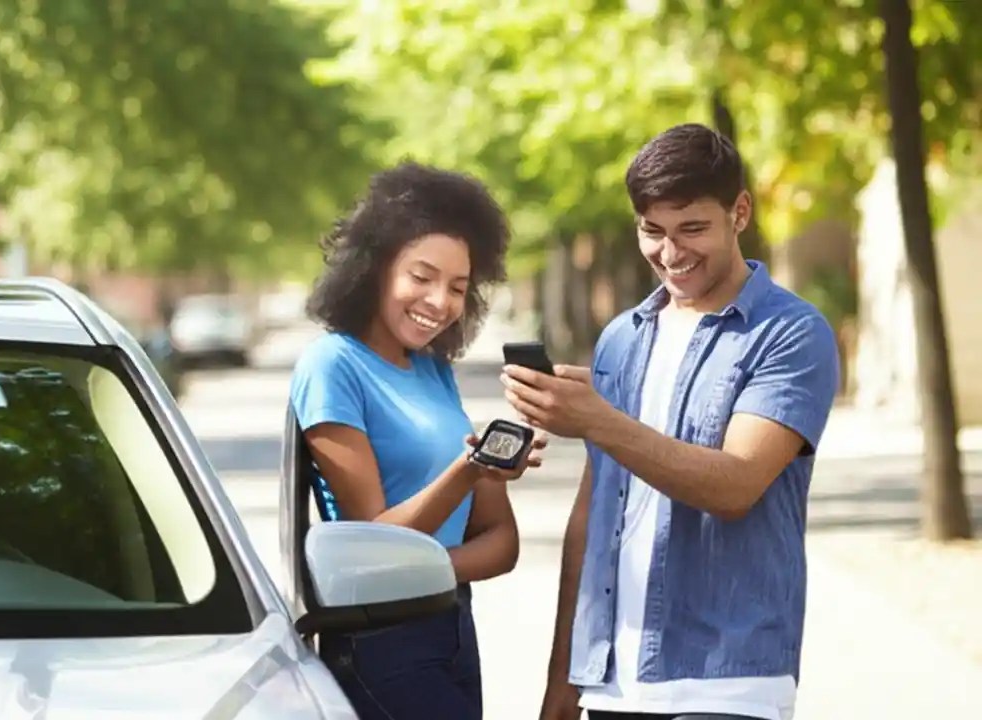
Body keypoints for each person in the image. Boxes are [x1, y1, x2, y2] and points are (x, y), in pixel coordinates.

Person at [502, 123, 841, 720]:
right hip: (611, 682)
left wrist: (599, 422)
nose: (671, 252)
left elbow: (735, 486)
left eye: (692, 229)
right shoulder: (621, 341)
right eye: (652, 231)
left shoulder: (789, 334)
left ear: (739, 213)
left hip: (727, 681)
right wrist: (563, 684)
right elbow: (592, 515)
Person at [289, 161, 547, 720]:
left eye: (457, 287)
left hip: (451, 626)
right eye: (421, 277)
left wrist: (483, 474)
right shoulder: (332, 365)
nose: (439, 301)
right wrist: (470, 469)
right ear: (376, 267)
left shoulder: (433, 371)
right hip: (379, 639)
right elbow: (376, 542)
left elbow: (501, 543)